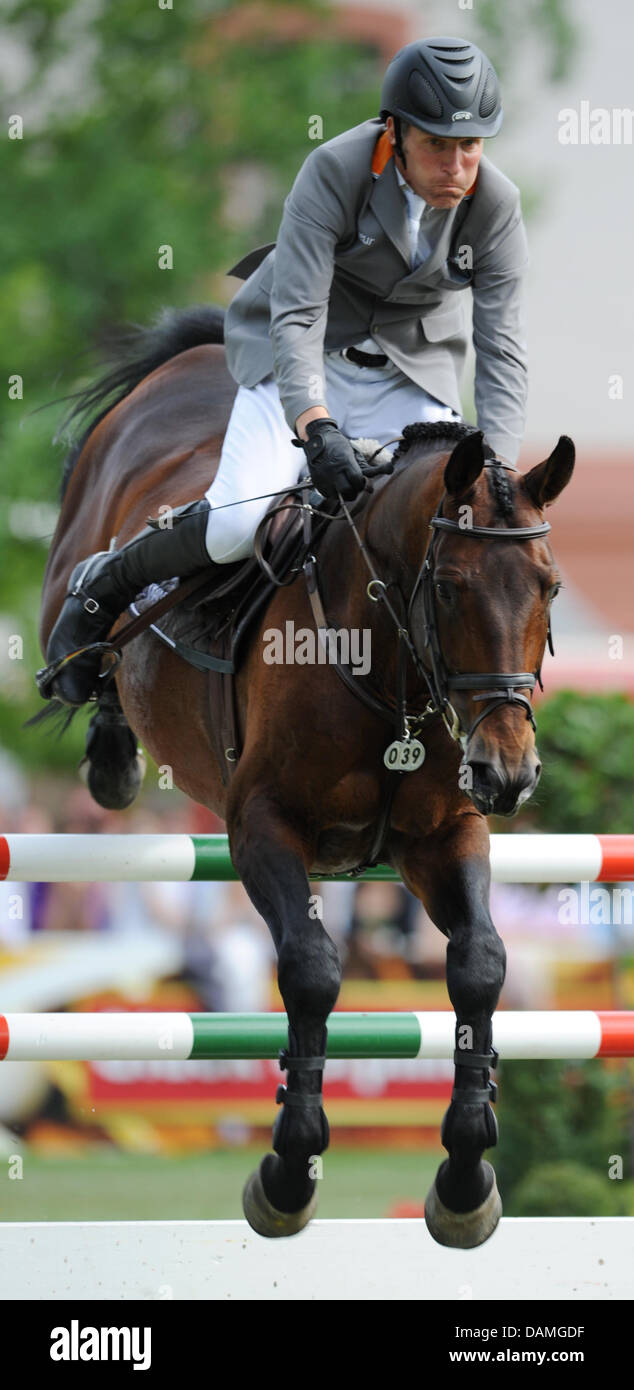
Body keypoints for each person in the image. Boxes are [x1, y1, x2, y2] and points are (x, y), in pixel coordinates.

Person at [46, 35, 528, 706]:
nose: (457, 166)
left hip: (407, 375)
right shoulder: (335, 170)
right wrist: (316, 426)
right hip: (298, 359)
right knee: (234, 528)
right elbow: (297, 317)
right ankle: (106, 584)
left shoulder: (495, 206)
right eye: (437, 146)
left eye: (470, 146)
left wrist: (499, 474)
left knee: (456, 525)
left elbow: (501, 346)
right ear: (393, 133)